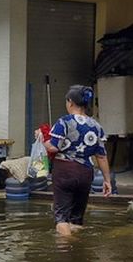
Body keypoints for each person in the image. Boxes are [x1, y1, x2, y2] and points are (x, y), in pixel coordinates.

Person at [43, 84, 112, 236]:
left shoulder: (64, 122)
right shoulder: (96, 126)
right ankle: (78, 247)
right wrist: (107, 180)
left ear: (70, 102)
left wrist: (42, 140)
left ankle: (68, 245)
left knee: (61, 218)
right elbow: (101, 156)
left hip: (65, 172)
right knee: (76, 218)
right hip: (86, 173)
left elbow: (53, 147)